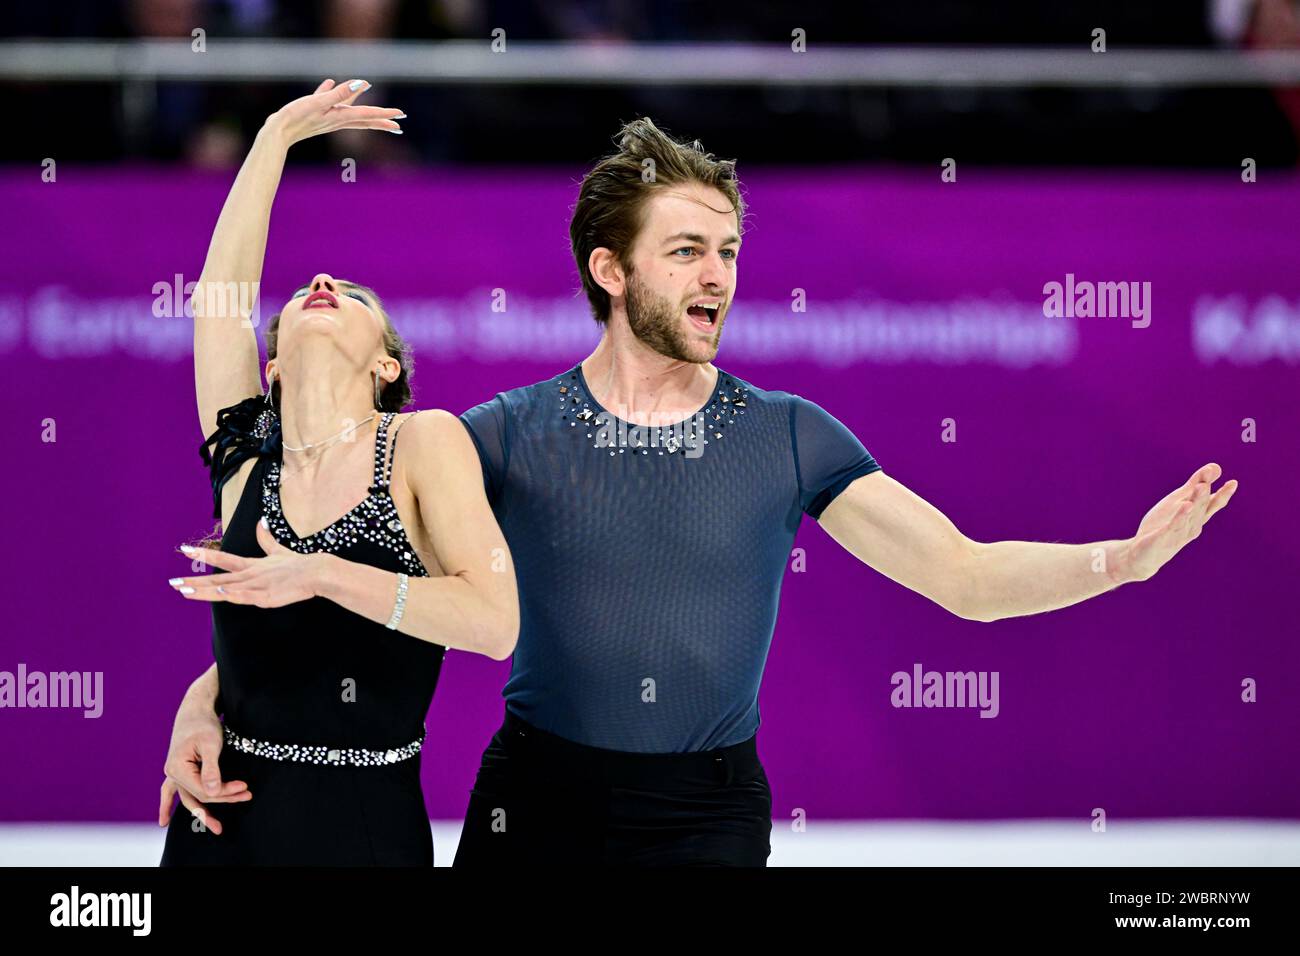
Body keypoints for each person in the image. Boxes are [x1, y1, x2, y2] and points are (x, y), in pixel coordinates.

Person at [164, 115, 1237, 868]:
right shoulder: (500, 433)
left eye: (725, 249)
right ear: (610, 270)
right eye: (685, 250)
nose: (717, 273)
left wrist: (1123, 559)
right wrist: (208, 698)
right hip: (530, 806)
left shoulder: (785, 433)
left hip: (705, 817)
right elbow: (318, 559)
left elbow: (963, 576)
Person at [157, 79, 519, 866]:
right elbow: (219, 304)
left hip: (362, 827)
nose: (323, 281)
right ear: (274, 363)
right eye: (307, 293)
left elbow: (493, 624)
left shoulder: (422, 442)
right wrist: (273, 140)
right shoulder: (249, 461)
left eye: (351, 295)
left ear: (386, 363)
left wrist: (321, 574)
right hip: (220, 820)